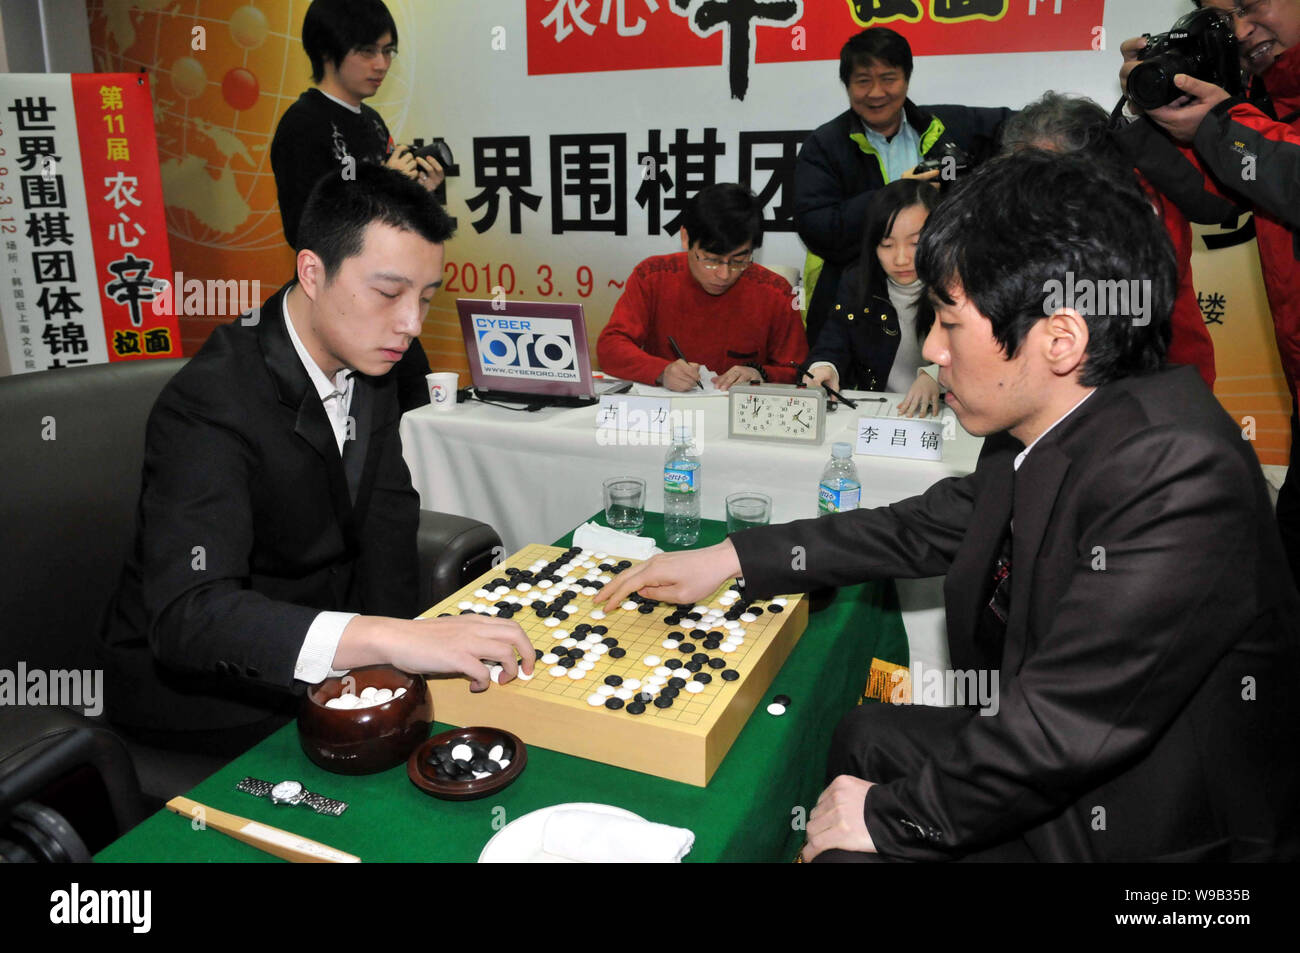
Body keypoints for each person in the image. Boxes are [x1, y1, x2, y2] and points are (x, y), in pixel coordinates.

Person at [594, 151, 1300, 862]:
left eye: (948, 323)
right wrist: (730, 557)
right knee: (866, 734)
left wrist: (893, 818)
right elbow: (919, 526)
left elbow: (1055, 730)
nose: (930, 348)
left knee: (848, 846)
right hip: (1062, 761)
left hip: (1149, 839)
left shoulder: (1180, 479)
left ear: (1061, 339)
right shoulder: (1052, 420)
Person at [100, 166, 533, 755]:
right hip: (217, 694)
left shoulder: (372, 357)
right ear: (312, 271)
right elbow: (190, 617)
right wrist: (387, 640)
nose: (410, 325)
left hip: (334, 657)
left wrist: (402, 666)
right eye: (388, 293)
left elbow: (386, 516)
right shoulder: (210, 400)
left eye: (425, 299)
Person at [1118, 0, 1300, 590]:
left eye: (1250, 5)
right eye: (1227, 20)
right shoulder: (1267, 101)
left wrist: (1222, 125)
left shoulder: (1252, 116)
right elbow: (1216, 201)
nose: (1245, 32)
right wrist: (1145, 116)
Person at [270, 0, 442, 413]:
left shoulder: (372, 121)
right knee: (360, 434)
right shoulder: (303, 124)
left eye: (388, 52)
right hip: (344, 312)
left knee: (416, 416)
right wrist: (386, 181)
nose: (381, 64)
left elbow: (397, 228)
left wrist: (421, 194)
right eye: (368, 51)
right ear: (328, 53)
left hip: (387, 304)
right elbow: (305, 230)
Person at [794, 27, 1012, 347]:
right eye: (863, 81)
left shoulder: (951, 127)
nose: (877, 92)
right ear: (847, 85)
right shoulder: (824, 145)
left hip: (947, 302)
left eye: (889, 78)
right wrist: (896, 191)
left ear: (907, 79)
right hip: (858, 307)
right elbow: (816, 227)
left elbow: (1029, 127)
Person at [1000, 91, 1216, 388]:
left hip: (1161, 381)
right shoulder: (1023, 208)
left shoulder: (1144, 205)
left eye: (1048, 173)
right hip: (1074, 384)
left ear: (1094, 165)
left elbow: (1132, 298)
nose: (1034, 187)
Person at [596, 183, 808, 392]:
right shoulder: (653, 276)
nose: (724, 274)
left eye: (739, 261)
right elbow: (610, 347)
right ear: (686, 238)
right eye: (711, 260)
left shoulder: (776, 292)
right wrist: (661, 371)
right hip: (668, 414)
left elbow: (799, 371)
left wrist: (760, 374)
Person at [805, 179, 942, 417]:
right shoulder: (857, 282)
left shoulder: (960, 285)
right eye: (887, 245)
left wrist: (936, 376)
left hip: (946, 414)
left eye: (915, 244)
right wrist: (825, 368)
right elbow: (833, 341)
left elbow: (981, 354)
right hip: (882, 412)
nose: (901, 259)